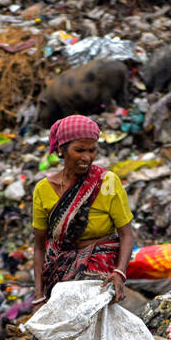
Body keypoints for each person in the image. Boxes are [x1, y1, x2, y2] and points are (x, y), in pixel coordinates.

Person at [31, 115, 134, 306]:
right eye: (79, 150)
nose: (87, 157)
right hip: (59, 268)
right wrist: (38, 296)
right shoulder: (43, 189)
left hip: (100, 266)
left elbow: (126, 234)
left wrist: (119, 272)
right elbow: (39, 246)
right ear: (61, 150)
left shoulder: (107, 182)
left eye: (92, 150)